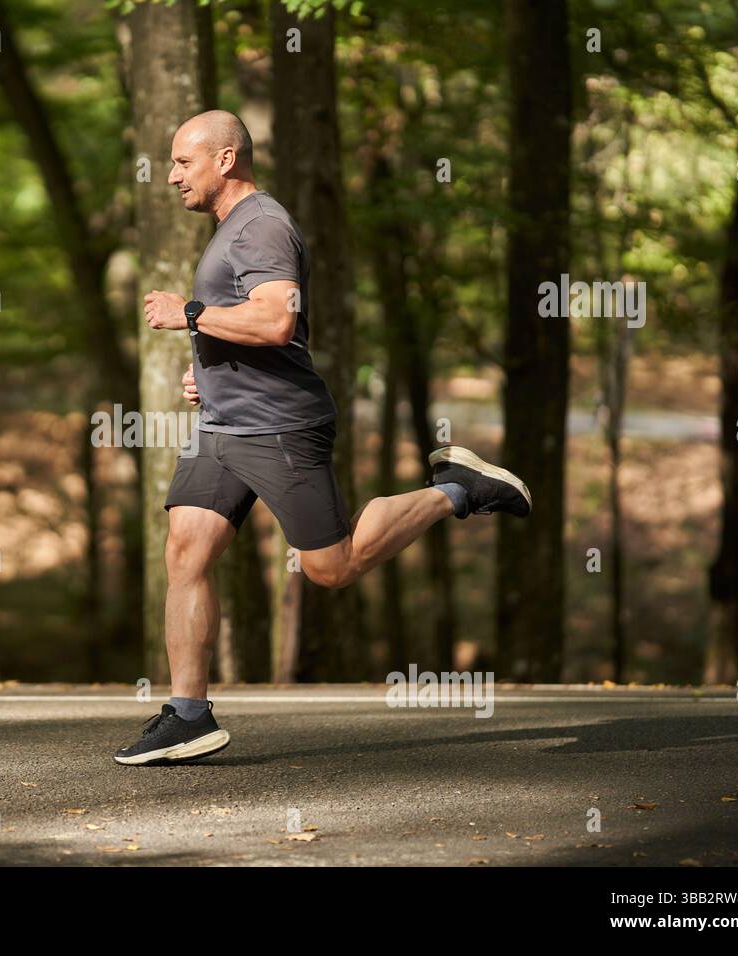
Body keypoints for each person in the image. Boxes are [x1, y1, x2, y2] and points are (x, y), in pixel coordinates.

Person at [113, 110, 530, 767]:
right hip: (226, 424)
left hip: (278, 425)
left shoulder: (263, 226)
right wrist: (209, 371)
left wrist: (187, 314)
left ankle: (458, 490)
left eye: (182, 162)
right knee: (185, 550)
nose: (171, 176)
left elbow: (277, 321)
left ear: (225, 160)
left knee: (329, 567)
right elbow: (245, 322)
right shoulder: (232, 231)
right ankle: (188, 716)